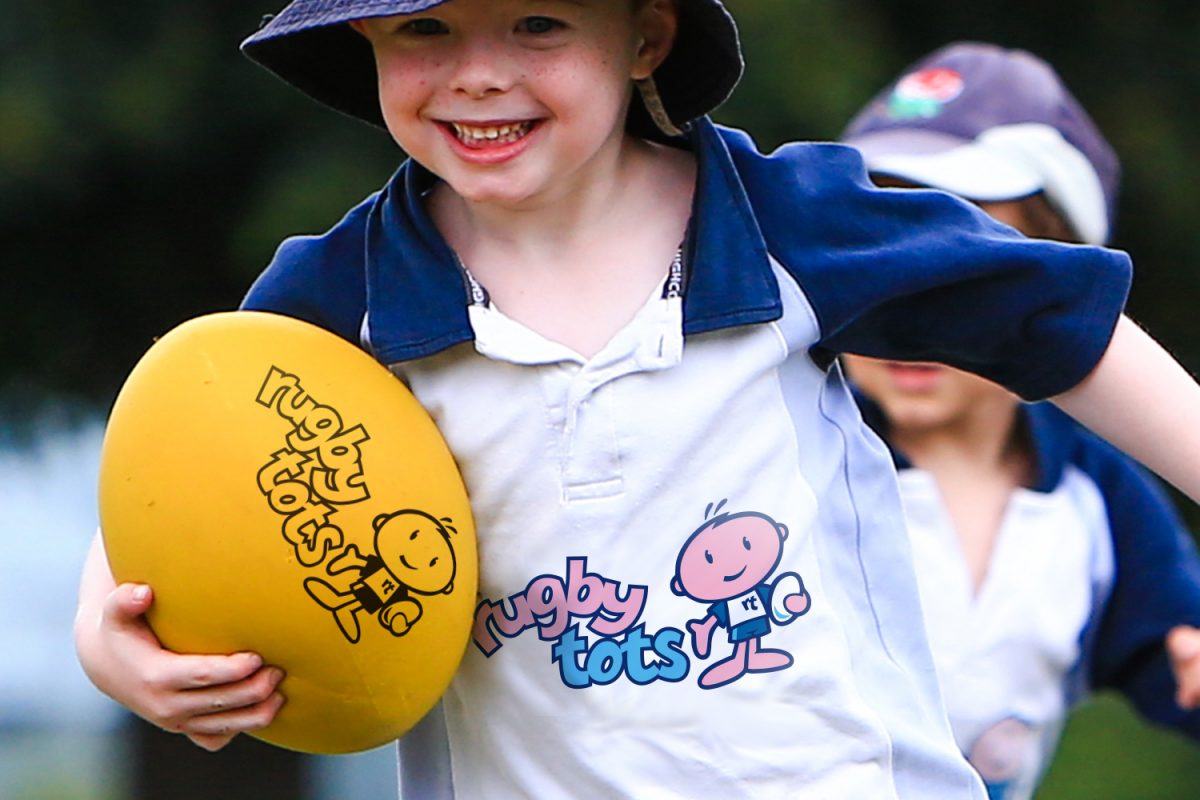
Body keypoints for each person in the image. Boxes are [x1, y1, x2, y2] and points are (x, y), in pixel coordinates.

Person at [71, 2, 1200, 797]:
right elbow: (186, 458)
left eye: (538, 25)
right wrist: (109, 634)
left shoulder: (790, 224)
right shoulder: (342, 296)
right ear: (362, 37)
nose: (476, 73)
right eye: (423, 28)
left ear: (644, 34)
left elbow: (1068, 326)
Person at [838, 41, 1200, 799]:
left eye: (966, 274)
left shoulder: (1100, 497)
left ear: (1060, 292)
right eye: (882, 253)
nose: (914, 297)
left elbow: (1177, 654)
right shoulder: (788, 442)